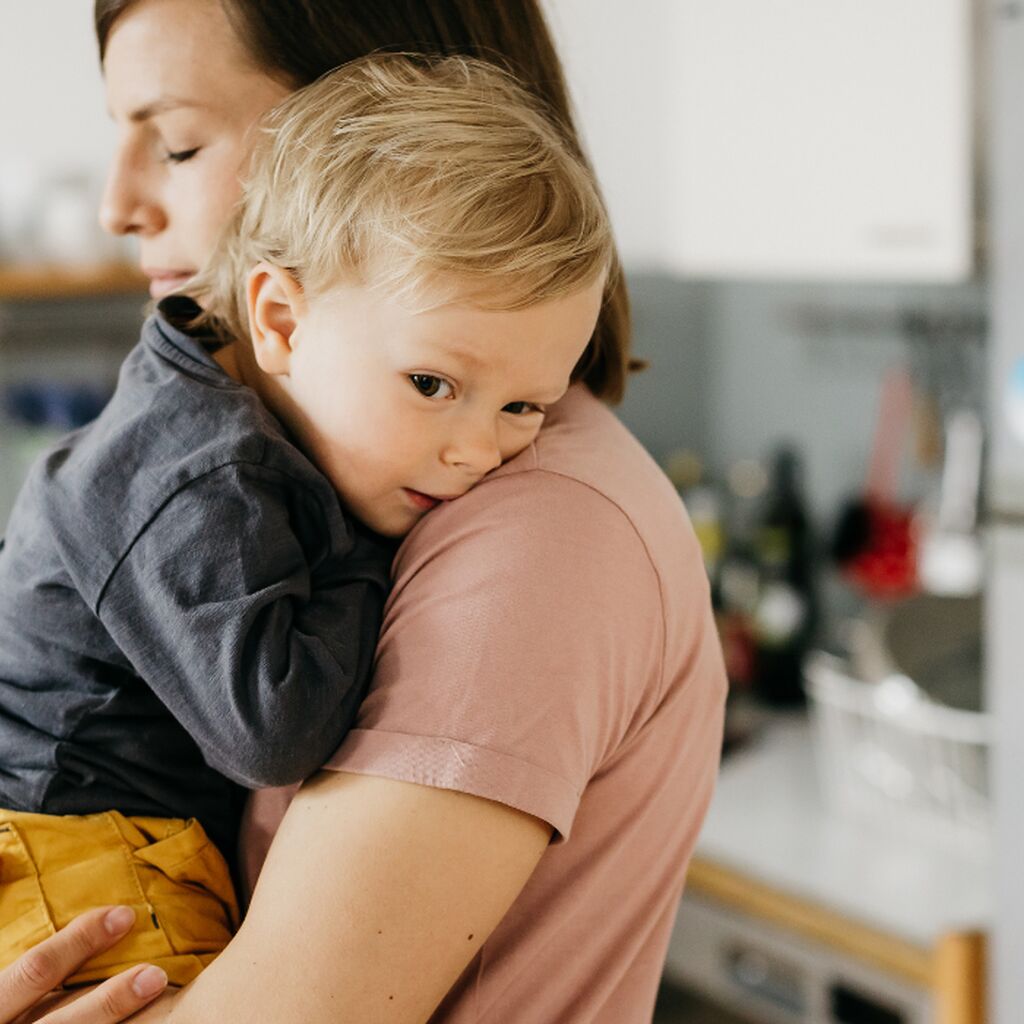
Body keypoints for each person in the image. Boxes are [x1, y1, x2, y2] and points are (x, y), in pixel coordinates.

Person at [1, 2, 727, 1021]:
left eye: (176, 141)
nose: (120, 204)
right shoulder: (265, 456)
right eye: (435, 384)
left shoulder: (529, 528)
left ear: (362, 131)